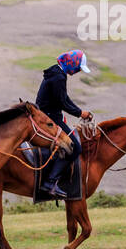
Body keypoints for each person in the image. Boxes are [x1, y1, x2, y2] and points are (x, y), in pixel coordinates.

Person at [35, 49, 93, 198]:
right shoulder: (59, 77)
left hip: (50, 115)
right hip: (51, 118)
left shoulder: (57, 73)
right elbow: (62, 102)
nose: (78, 71)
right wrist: (80, 113)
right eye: (78, 68)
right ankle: (50, 182)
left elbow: (64, 98)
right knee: (75, 148)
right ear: (72, 63)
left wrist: (80, 111)